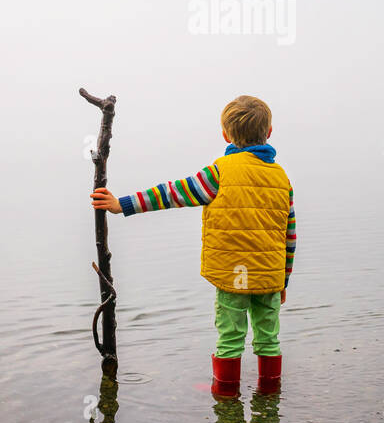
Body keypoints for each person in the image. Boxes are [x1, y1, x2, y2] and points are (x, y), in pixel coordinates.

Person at [90, 95, 295, 398]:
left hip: (232, 276)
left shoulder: (219, 173)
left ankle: (225, 394)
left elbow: (172, 193)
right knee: (268, 338)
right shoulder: (281, 178)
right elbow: (289, 235)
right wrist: (283, 280)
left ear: (225, 135)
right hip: (269, 277)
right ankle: (270, 392)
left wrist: (123, 204)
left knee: (230, 337)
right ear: (270, 132)